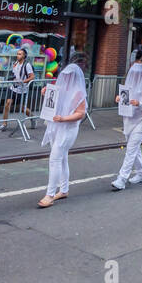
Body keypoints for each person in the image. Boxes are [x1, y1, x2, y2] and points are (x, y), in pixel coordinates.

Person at [37, 54, 89, 208]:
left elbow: (81, 113)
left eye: (68, 76)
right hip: (57, 126)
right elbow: (52, 100)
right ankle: (64, 189)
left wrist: (64, 118)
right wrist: (45, 93)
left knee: (55, 159)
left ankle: (50, 194)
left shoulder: (79, 92)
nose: (66, 78)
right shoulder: (60, 88)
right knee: (62, 158)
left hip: (68, 129)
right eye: (64, 75)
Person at [112, 50, 142, 190]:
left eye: (138, 74)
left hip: (141, 120)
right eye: (133, 74)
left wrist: (140, 104)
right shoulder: (129, 86)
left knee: (131, 149)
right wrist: (119, 99)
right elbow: (125, 99)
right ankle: (141, 173)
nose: (135, 76)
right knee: (134, 147)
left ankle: (122, 178)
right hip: (129, 118)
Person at [0, 47, 34, 133]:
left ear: (24, 56)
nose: (18, 55)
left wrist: (23, 81)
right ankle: (4, 124)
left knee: (23, 109)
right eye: (17, 54)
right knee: (7, 104)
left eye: (20, 54)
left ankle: (32, 117)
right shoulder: (15, 63)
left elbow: (32, 77)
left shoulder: (27, 65)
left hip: (22, 90)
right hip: (13, 88)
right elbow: (14, 74)